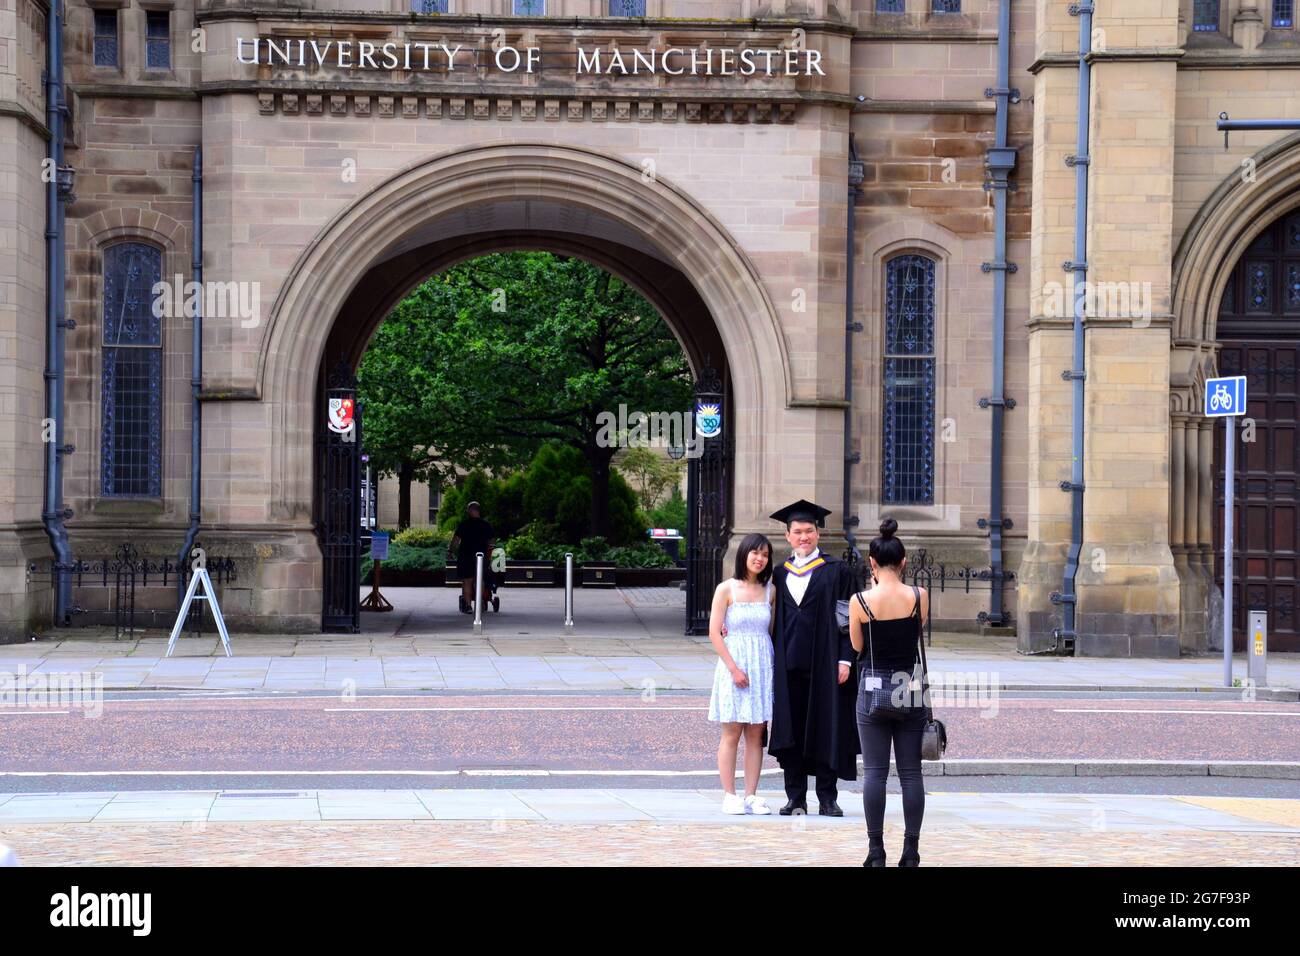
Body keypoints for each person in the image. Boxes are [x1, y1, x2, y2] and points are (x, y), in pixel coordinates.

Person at [765, 498, 859, 817]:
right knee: (791, 732)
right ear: (788, 537)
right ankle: (795, 797)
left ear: (817, 533)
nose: (803, 537)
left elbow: (847, 620)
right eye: (797, 532)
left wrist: (845, 660)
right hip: (788, 666)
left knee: (825, 728)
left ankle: (827, 797)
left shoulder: (837, 572)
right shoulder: (778, 574)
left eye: (809, 531)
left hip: (826, 664)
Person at [848, 517, 930, 867]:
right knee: (911, 773)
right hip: (908, 685)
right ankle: (911, 851)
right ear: (904, 561)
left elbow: (856, 646)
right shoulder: (919, 596)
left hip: (873, 687)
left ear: (872, 563)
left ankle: (875, 850)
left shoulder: (860, 601)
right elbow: (917, 630)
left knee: (875, 772)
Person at [706, 533, 776, 815]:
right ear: (744, 554)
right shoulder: (726, 589)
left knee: (756, 733)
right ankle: (729, 794)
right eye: (755, 553)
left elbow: (771, 632)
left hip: (761, 664)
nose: (759, 558)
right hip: (733, 663)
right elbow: (714, 632)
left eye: (765, 554)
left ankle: (751, 795)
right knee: (732, 732)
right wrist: (734, 668)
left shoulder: (771, 591)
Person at [448, 501, 497, 615]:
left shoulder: (464, 525)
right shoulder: (486, 525)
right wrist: (490, 553)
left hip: (465, 556)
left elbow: (455, 540)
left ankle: (469, 606)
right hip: (481, 556)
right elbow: (492, 542)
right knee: (480, 580)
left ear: (471, 510)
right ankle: (479, 605)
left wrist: (450, 551)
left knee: (467, 581)